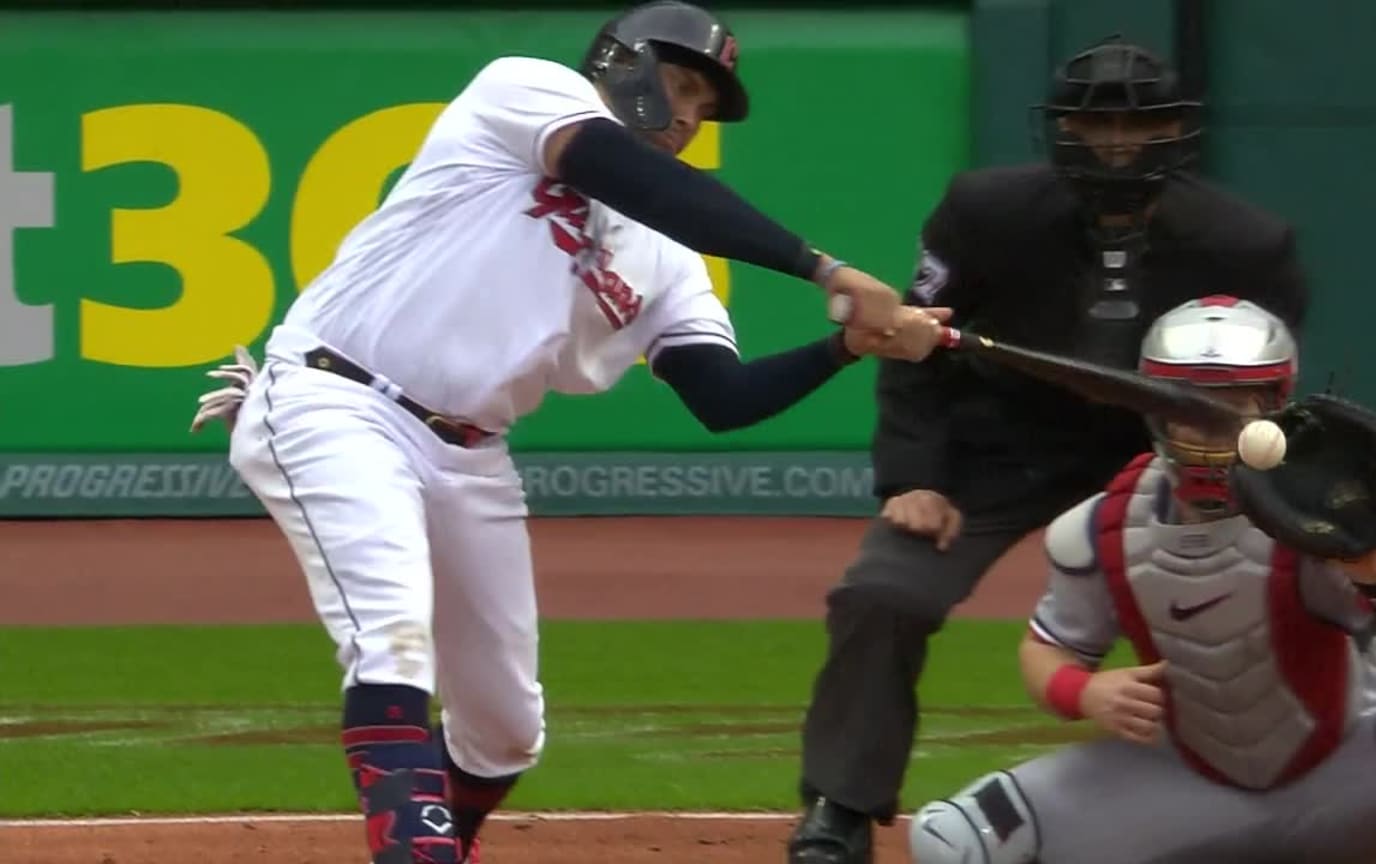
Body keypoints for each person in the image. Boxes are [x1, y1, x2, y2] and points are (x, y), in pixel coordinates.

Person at [188, 4, 948, 863]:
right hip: (339, 398)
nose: (691, 117)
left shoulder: (669, 261)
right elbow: (629, 174)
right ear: (625, 62)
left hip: (469, 454)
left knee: (506, 732)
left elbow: (722, 397)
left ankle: (448, 838)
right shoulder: (527, 90)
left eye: (706, 106)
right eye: (682, 85)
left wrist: (847, 347)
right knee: (393, 637)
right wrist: (824, 268)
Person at [786, 36, 1310, 863]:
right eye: (1096, 125)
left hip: (1164, 460)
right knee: (883, 594)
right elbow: (916, 343)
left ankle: (1277, 799)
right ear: (1061, 129)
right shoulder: (982, 213)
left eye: (1137, 126)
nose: (1117, 145)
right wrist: (914, 478)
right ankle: (840, 809)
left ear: (1174, 131)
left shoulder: (1246, 244)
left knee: (1250, 604)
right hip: (996, 451)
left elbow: (1269, 387)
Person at [905, 296, 1376, 864]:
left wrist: (1371, 567)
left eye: (1234, 406)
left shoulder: (1332, 506)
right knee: (955, 836)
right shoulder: (1098, 529)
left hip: (1348, 780)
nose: (1210, 426)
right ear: (1154, 409)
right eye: (1188, 406)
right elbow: (1048, 650)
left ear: (1275, 405)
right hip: (1189, 790)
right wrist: (1084, 692)